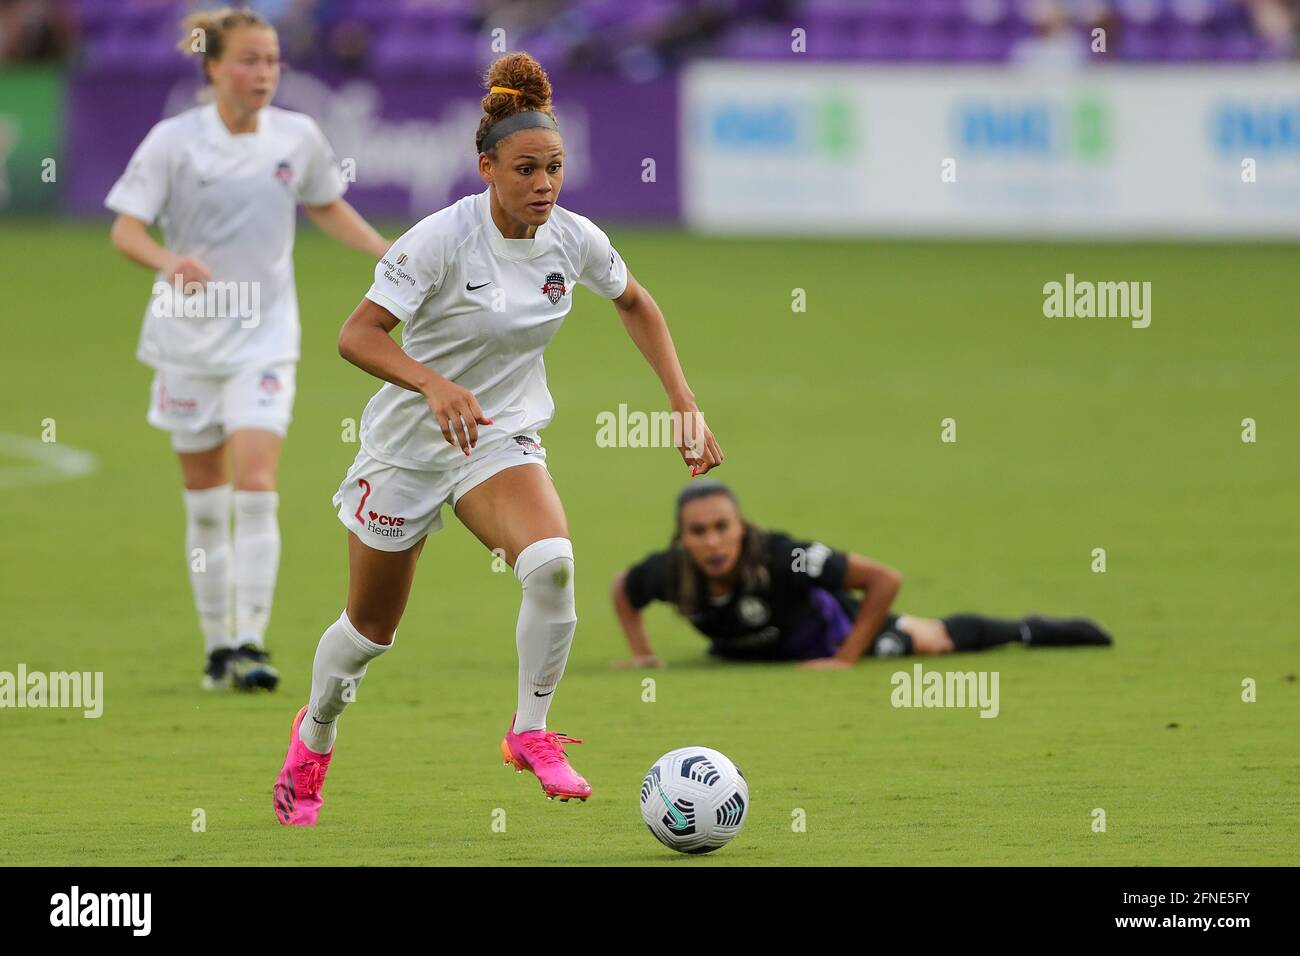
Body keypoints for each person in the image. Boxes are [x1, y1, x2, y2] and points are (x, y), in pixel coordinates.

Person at [272, 51, 723, 826]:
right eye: (525, 169)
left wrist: (683, 400)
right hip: (408, 447)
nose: (543, 184)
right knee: (368, 635)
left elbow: (636, 302)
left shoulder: (573, 238)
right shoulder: (440, 240)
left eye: (553, 168)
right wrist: (432, 382)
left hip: (499, 436)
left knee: (551, 565)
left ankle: (531, 733)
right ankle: (313, 740)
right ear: (486, 167)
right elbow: (356, 335)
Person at [106, 7, 390, 691]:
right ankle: (216, 649)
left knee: (258, 487)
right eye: (249, 60)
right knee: (206, 501)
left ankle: (252, 644)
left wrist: (389, 252)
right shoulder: (175, 141)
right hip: (186, 340)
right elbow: (126, 229)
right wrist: (168, 261)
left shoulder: (297, 136)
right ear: (213, 66)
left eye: (272, 61)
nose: (263, 73)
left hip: (265, 338)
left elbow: (324, 204)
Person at [612, 481, 1112, 668]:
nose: (713, 541)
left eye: (723, 527)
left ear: (741, 527)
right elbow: (622, 590)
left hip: (833, 636)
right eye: (699, 532)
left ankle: (1033, 631)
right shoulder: (669, 572)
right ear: (682, 538)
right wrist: (642, 654)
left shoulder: (784, 556)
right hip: (755, 652)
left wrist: (846, 659)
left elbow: (884, 579)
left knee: (933, 641)